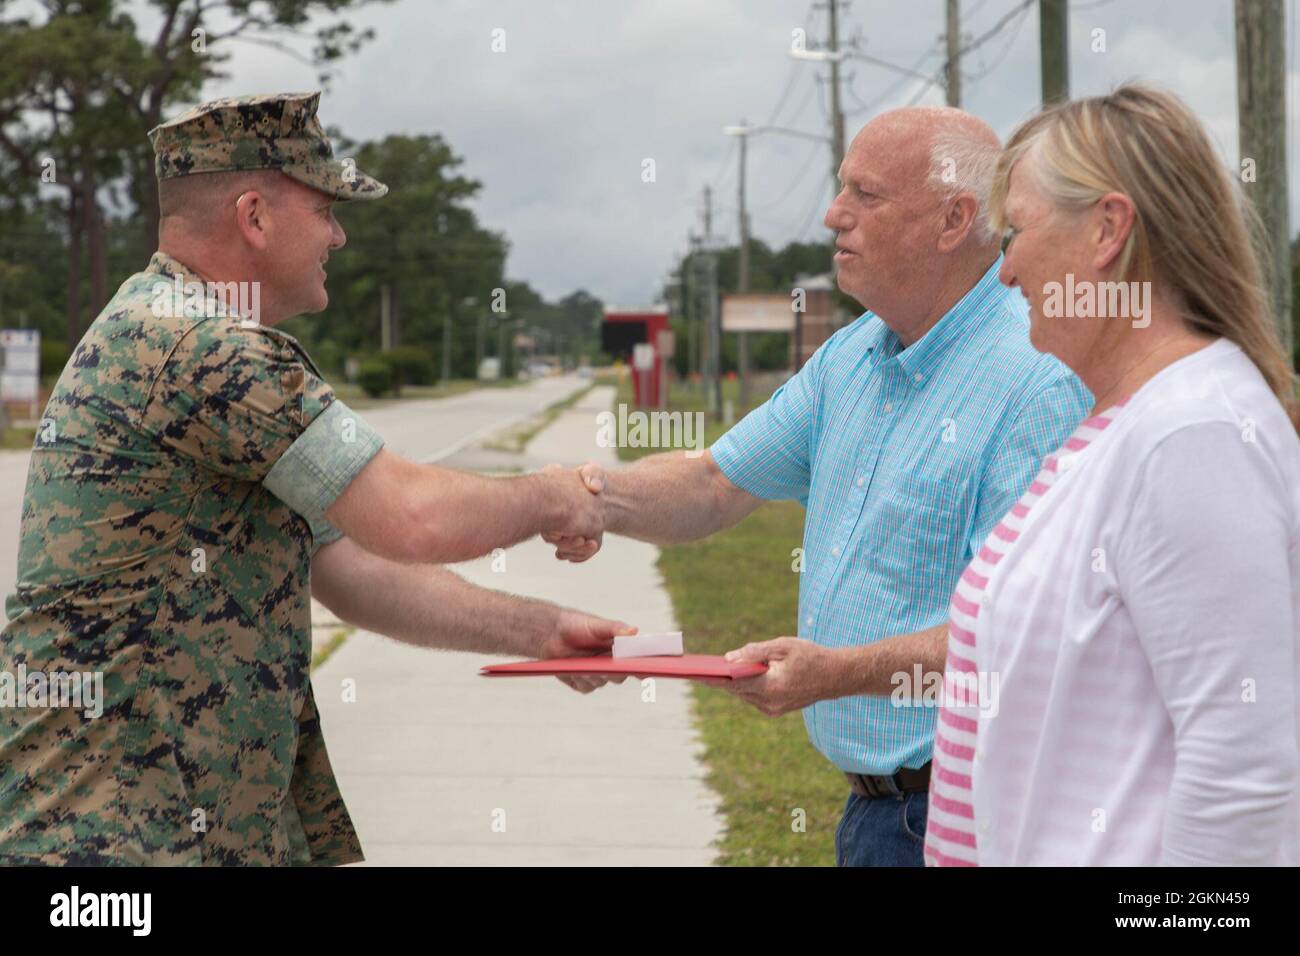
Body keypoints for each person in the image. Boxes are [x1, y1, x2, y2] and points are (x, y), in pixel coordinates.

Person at [0, 92, 628, 867]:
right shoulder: (205, 349)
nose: (338, 233)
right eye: (325, 209)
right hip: (121, 845)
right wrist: (553, 495)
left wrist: (541, 631)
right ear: (255, 216)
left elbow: (353, 566)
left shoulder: (178, 333)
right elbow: (410, 516)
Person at [548, 106, 1091, 866]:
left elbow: (1020, 633)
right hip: (878, 812)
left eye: (865, 195)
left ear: (953, 219)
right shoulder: (852, 356)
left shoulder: (1034, 381)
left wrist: (835, 674)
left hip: (972, 814)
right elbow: (712, 483)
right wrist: (585, 499)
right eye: (842, 190)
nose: (834, 215)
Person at [923, 84, 1300, 866]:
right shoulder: (1134, 422)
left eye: (1015, 233)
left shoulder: (1191, 434)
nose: (1004, 272)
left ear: (1107, 229)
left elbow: (1247, 770)